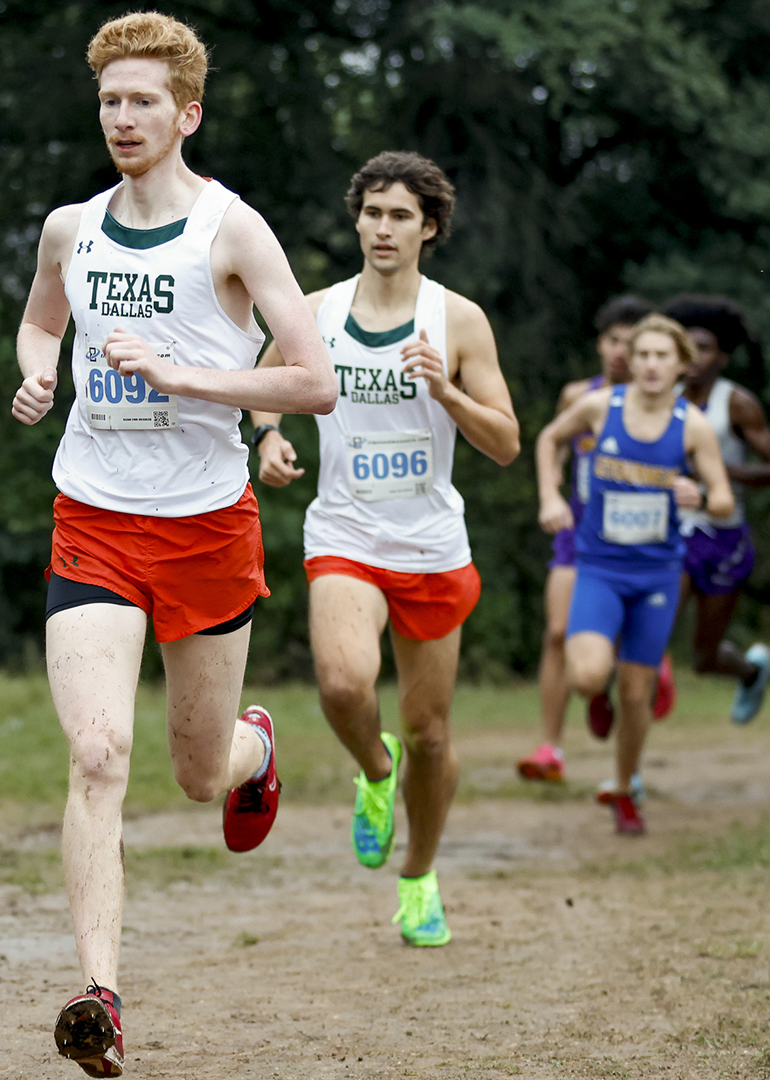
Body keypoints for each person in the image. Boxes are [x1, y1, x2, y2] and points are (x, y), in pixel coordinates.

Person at [9, 13, 336, 1076]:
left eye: (143, 100)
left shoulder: (233, 232)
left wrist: (187, 377)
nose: (123, 117)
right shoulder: (72, 229)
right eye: (109, 100)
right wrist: (40, 371)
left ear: (187, 113)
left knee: (198, 777)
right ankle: (99, 996)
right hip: (93, 521)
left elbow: (315, 380)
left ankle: (256, 748)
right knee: (98, 754)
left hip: (205, 528)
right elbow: (40, 319)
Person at [251, 151, 517, 947]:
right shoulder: (318, 311)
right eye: (372, 212)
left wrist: (447, 391)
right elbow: (266, 380)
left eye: (401, 215)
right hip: (346, 530)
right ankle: (374, 769)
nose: (383, 228)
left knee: (432, 734)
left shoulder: (458, 320)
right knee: (341, 683)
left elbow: (504, 442)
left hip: (431, 541)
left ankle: (420, 875)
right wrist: (267, 437)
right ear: (356, 219)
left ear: (429, 228)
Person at [535, 314, 734, 834]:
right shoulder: (602, 407)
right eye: (642, 354)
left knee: (638, 694)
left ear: (681, 366)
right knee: (586, 674)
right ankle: (595, 692)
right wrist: (550, 494)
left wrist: (703, 497)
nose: (649, 364)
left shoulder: (692, 426)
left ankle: (624, 790)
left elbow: (725, 498)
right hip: (598, 567)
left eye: (661, 356)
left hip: (657, 575)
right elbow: (549, 439)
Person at [516, 294, 652, 785]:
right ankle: (551, 745)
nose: (621, 351)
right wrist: (551, 494)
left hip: (637, 540)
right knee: (557, 633)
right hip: (581, 532)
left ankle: (603, 684)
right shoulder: (579, 396)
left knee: (622, 639)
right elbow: (553, 448)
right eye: (615, 340)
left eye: (633, 344)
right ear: (601, 344)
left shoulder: (656, 408)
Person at [659, 295, 770, 724]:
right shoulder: (662, 396)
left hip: (723, 534)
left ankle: (750, 672)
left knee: (705, 657)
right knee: (653, 634)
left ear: (725, 356)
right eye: (688, 346)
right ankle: (637, 722)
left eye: (706, 348)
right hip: (675, 529)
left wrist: (716, 472)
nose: (695, 357)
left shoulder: (737, 404)